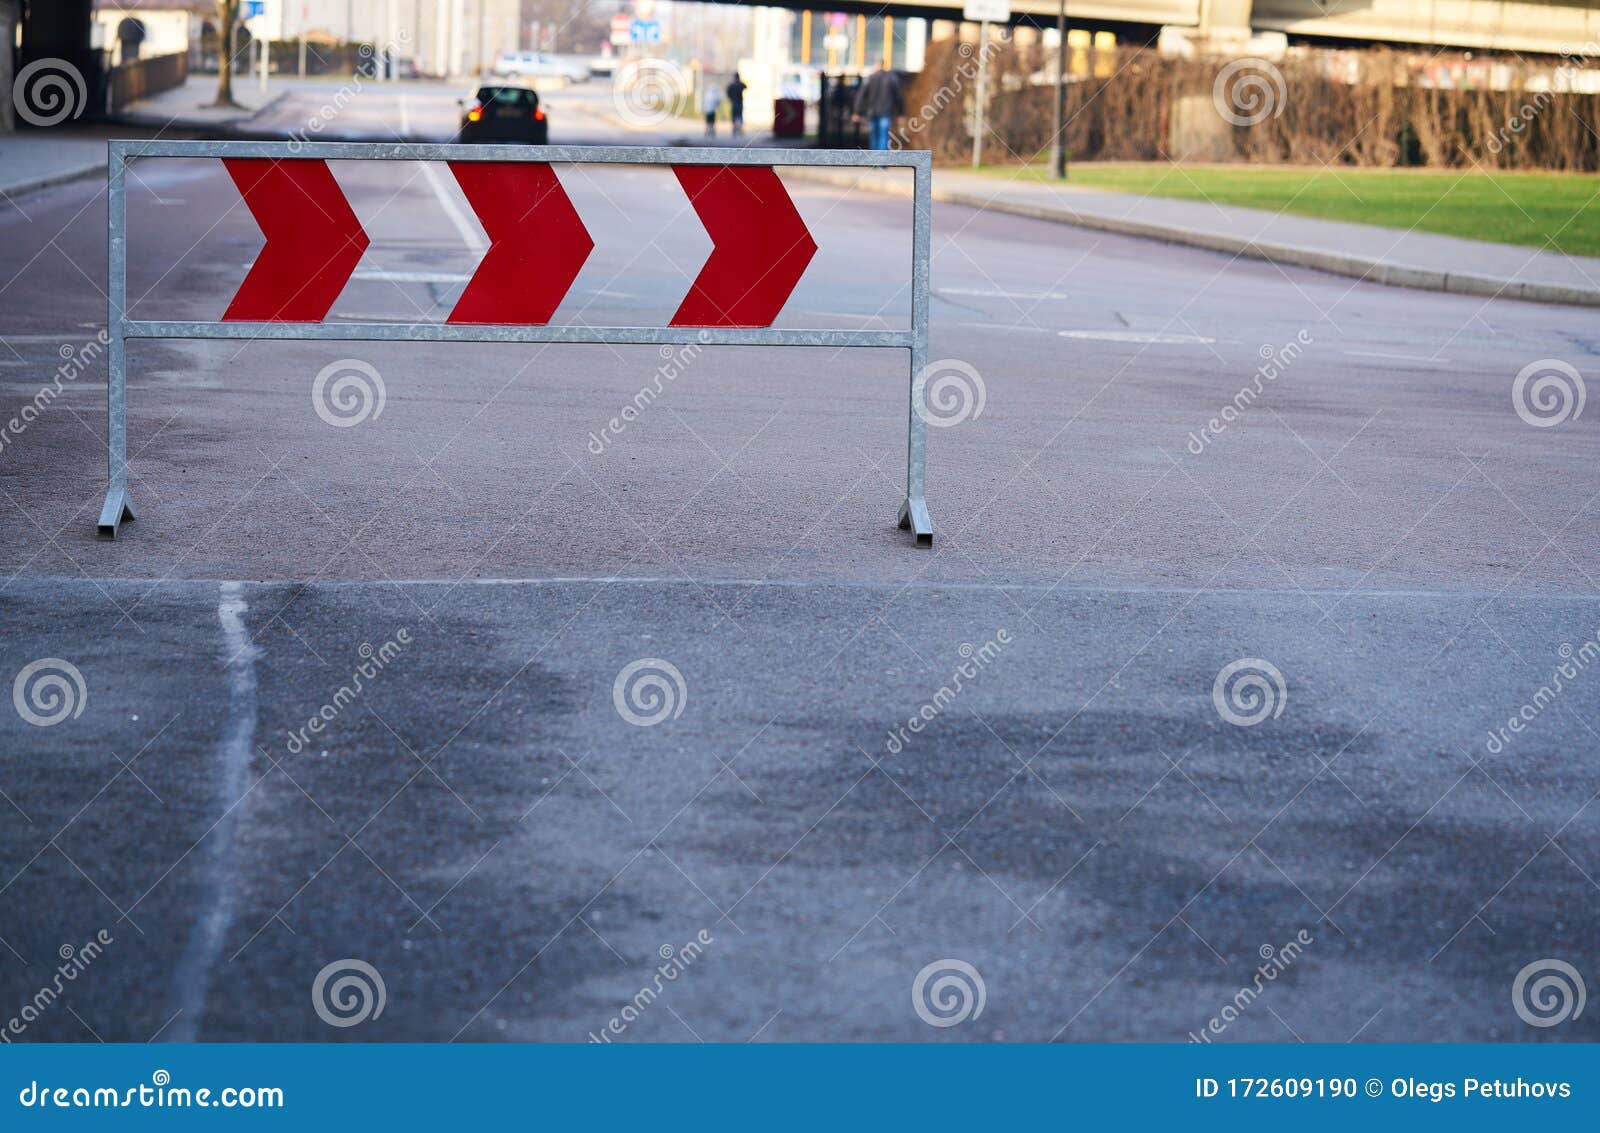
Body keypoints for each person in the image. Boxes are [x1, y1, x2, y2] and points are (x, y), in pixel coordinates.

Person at [852, 57, 903, 151]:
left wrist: (856, 112)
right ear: (883, 65)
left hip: (872, 112)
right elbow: (898, 96)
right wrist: (900, 112)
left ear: (876, 65)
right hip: (886, 111)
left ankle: (874, 159)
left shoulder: (870, 78)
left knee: (874, 135)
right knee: (883, 135)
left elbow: (861, 96)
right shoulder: (891, 77)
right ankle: (882, 160)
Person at [725, 72, 747, 137]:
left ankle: (735, 130)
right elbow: (745, 86)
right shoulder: (740, 84)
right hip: (739, 102)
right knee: (739, 116)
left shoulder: (731, 85)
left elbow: (727, 92)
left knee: (734, 117)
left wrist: (730, 98)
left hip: (734, 103)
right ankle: (739, 130)